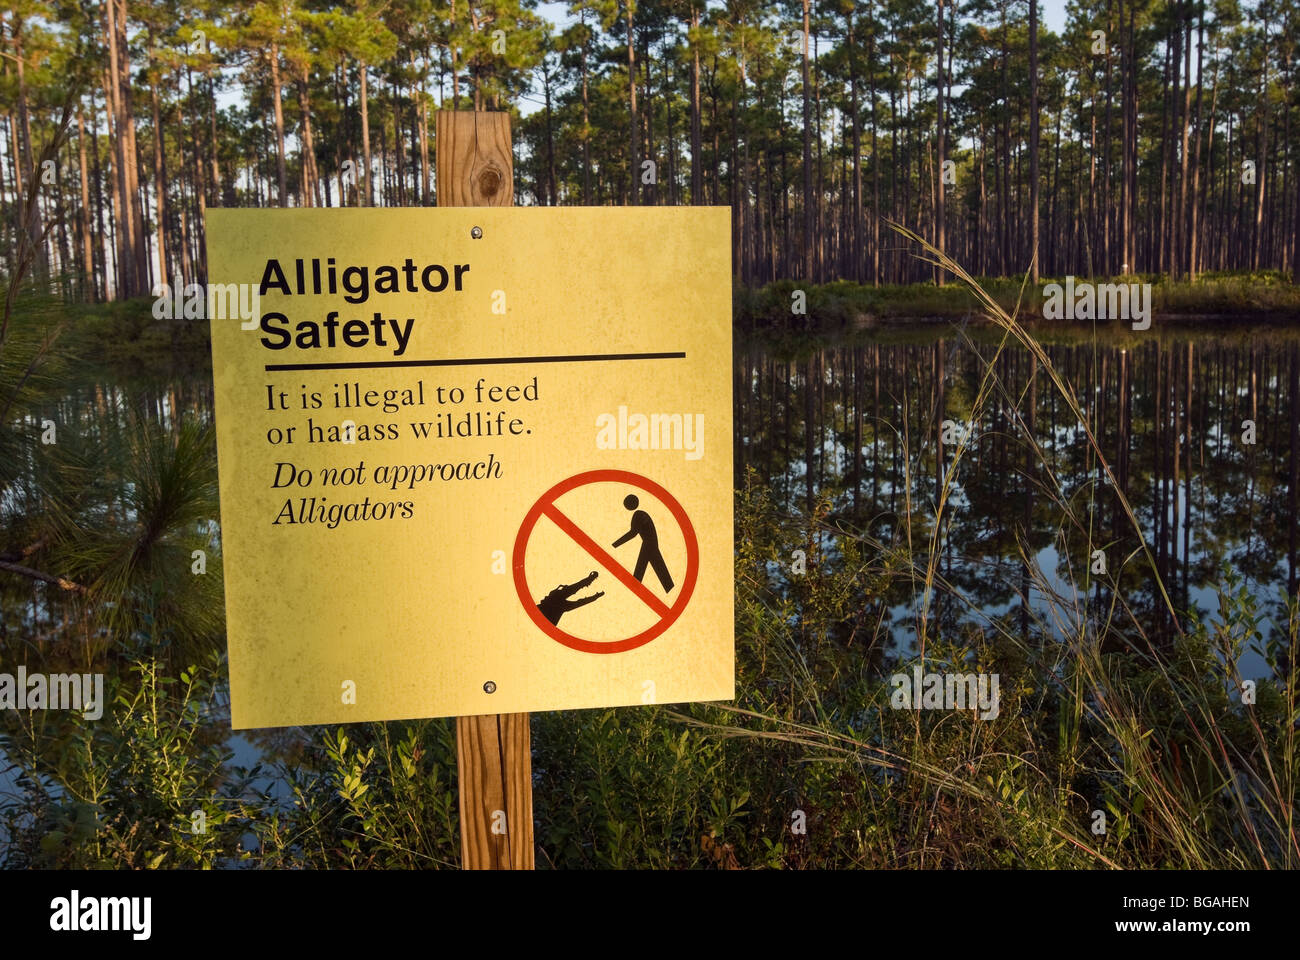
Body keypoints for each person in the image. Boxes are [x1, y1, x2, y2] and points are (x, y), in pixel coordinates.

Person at [612, 494, 674, 592]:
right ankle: (669, 588)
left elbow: (633, 533)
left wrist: (615, 544)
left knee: (641, 570)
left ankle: (635, 588)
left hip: (649, 544)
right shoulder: (642, 514)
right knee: (659, 569)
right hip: (651, 544)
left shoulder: (638, 514)